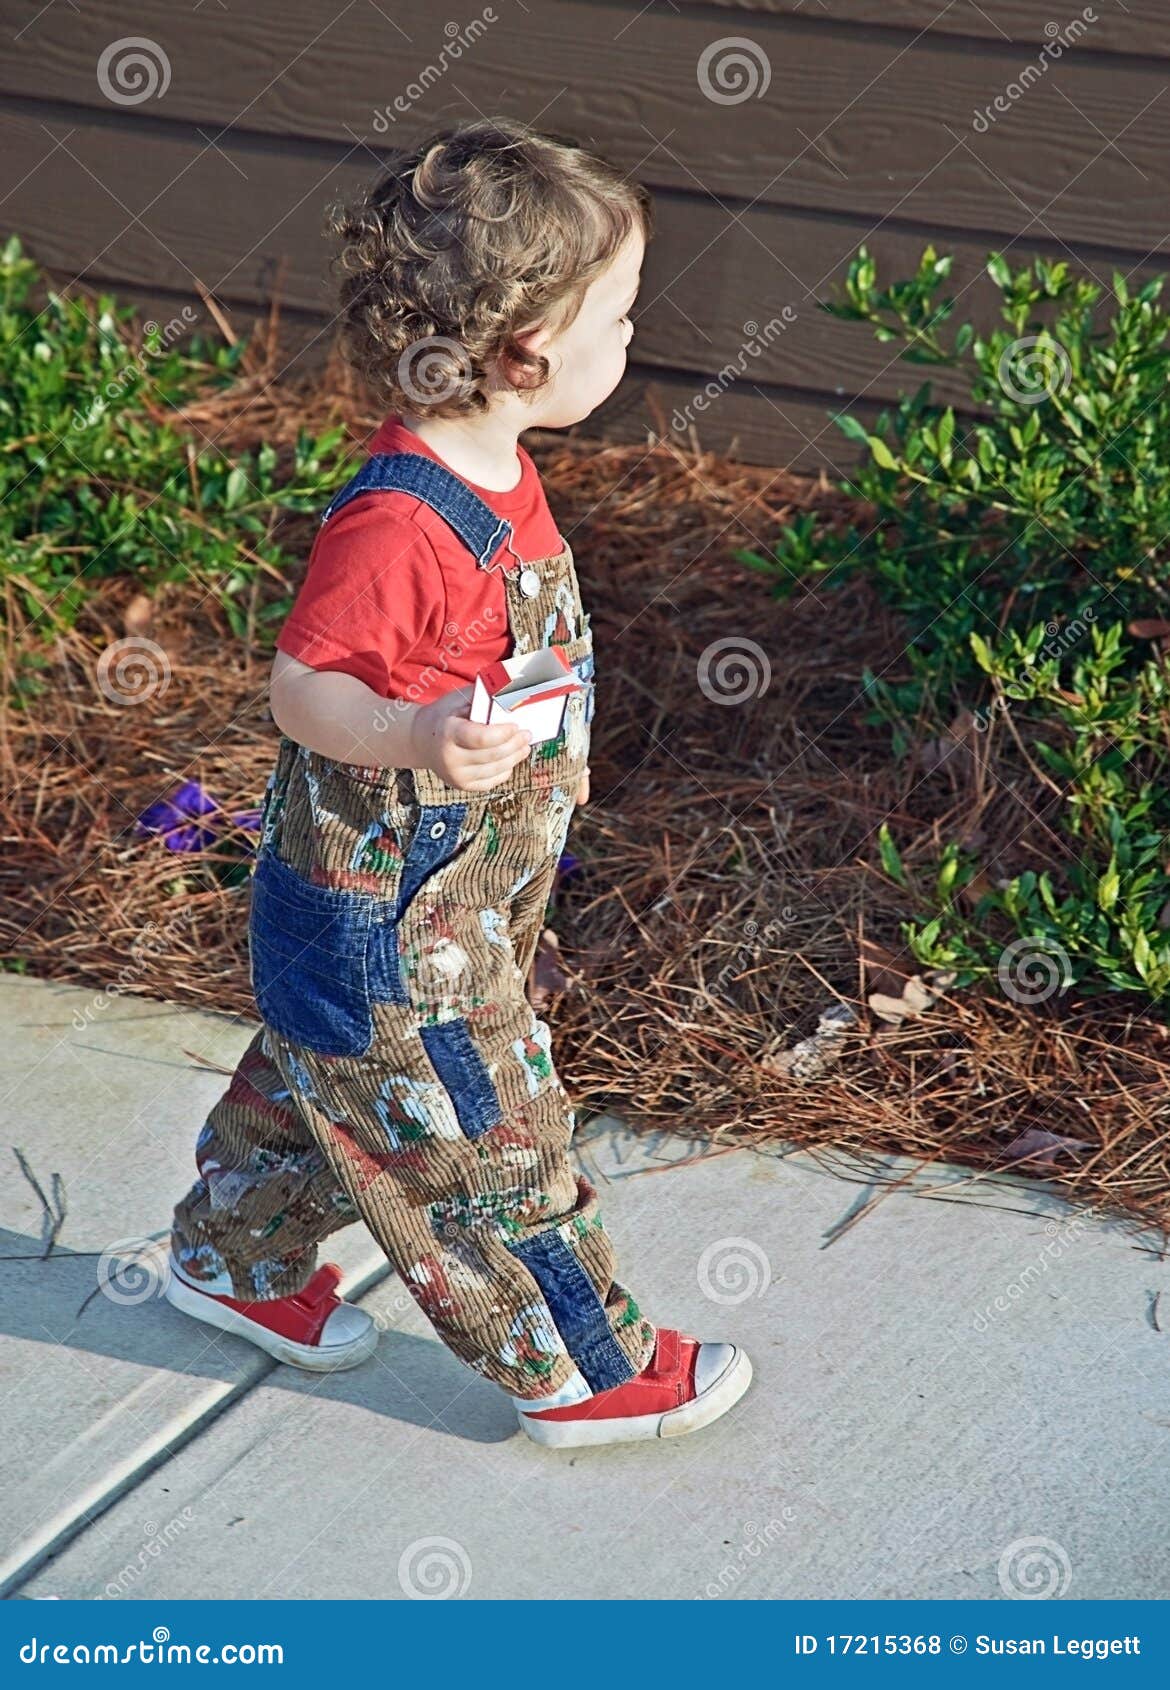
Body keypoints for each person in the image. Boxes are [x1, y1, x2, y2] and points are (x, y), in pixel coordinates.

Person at [165, 116, 752, 1449]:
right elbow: (303, 691)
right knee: (481, 1139)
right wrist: (420, 734)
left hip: (442, 901)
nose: (630, 339)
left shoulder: (495, 468)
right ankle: (585, 1366)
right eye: (618, 315)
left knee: (325, 1084)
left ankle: (233, 1259)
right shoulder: (400, 517)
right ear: (525, 347)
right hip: (391, 921)